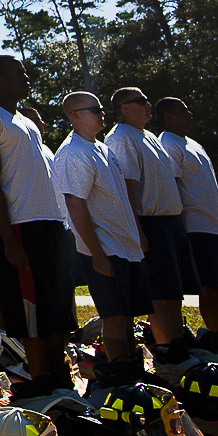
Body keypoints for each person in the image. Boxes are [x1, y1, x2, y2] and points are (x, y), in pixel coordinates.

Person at [0, 54, 76, 393]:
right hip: (19, 226)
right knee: (31, 311)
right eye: (18, 73)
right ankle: (40, 379)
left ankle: (59, 378)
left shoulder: (26, 122)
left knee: (57, 307)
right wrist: (9, 241)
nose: (26, 77)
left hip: (49, 224)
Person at [52, 93, 151, 368]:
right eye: (95, 109)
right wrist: (97, 253)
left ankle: (131, 366)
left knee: (127, 314)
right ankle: (120, 370)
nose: (102, 113)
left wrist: (137, 235)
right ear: (75, 115)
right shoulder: (73, 153)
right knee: (115, 315)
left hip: (124, 246)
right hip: (105, 248)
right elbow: (75, 204)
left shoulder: (103, 149)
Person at [104, 86, 197, 352]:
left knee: (173, 294)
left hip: (169, 223)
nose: (148, 105)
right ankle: (168, 352)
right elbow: (127, 188)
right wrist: (138, 231)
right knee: (160, 296)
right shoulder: (122, 138)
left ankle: (179, 346)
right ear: (125, 108)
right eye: (141, 101)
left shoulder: (150, 137)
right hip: (149, 223)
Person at [154, 97, 218, 336]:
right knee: (210, 288)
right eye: (182, 110)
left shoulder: (192, 144)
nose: (189, 113)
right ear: (168, 117)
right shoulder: (168, 145)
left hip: (217, 228)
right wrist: (183, 233)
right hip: (197, 228)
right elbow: (171, 189)